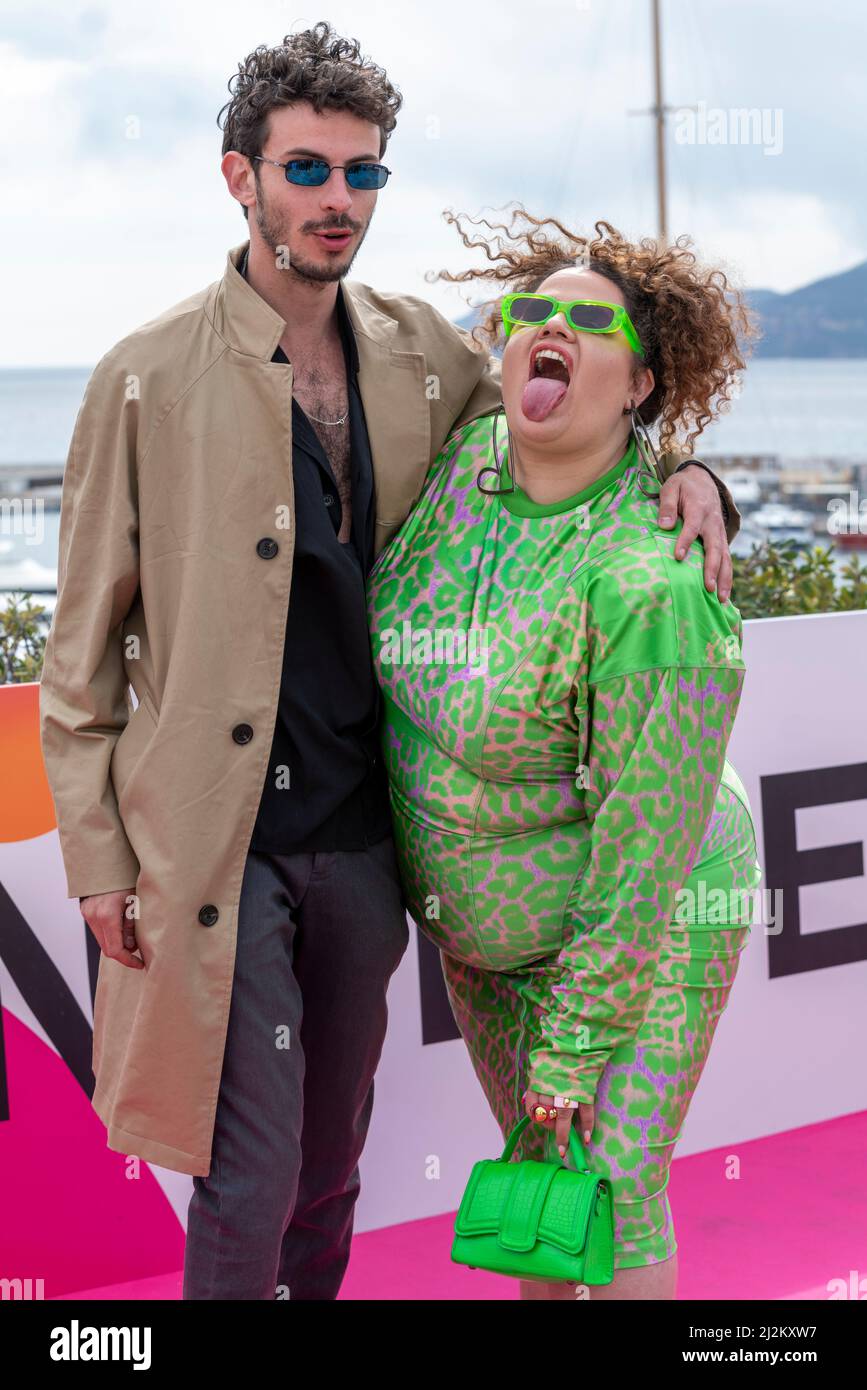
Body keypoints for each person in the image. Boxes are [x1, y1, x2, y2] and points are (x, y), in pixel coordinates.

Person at [38, 26, 738, 1301]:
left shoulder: (424, 352)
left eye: (365, 175)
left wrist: (692, 471)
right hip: (218, 835)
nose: (338, 202)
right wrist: (98, 858)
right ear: (238, 177)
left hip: (365, 836)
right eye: (307, 170)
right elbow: (74, 656)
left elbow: (572, 418)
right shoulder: (140, 380)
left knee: (332, 1165)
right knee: (250, 1168)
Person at [366, 209, 763, 1300]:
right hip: (485, 943)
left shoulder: (655, 585)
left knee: (616, 1181)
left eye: (589, 323)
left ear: (639, 384)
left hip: (656, 907)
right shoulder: (459, 471)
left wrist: (577, 1042)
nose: (550, 328)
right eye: (531, 313)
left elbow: (644, 853)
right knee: (543, 1191)